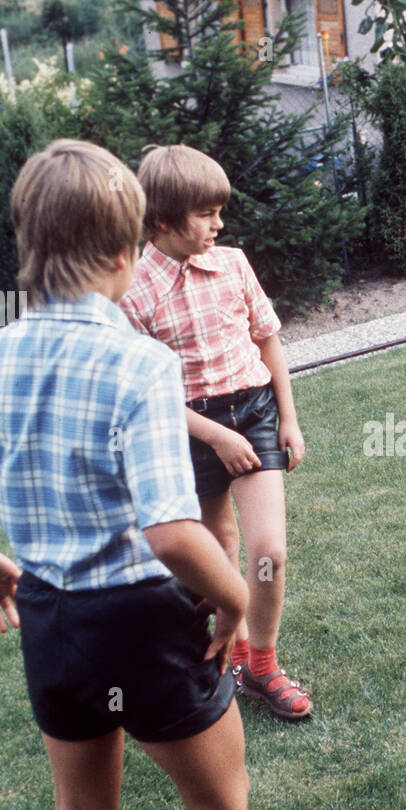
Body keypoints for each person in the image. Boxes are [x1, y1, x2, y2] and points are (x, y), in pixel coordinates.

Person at [0, 139, 298, 810]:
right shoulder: (139, 364)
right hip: (141, 623)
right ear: (128, 251)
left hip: (52, 624)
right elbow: (172, 531)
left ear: (27, 244)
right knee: (219, 809)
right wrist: (237, 600)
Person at [121, 146, 311, 720]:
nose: (219, 223)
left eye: (219, 211)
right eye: (205, 214)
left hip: (252, 412)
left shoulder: (233, 263)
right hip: (186, 427)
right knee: (216, 550)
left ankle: (262, 666)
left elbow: (267, 338)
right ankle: (221, 654)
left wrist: (289, 418)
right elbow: (144, 393)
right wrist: (214, 436)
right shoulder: (132, 291)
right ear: (162, 221)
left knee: (269, 552)